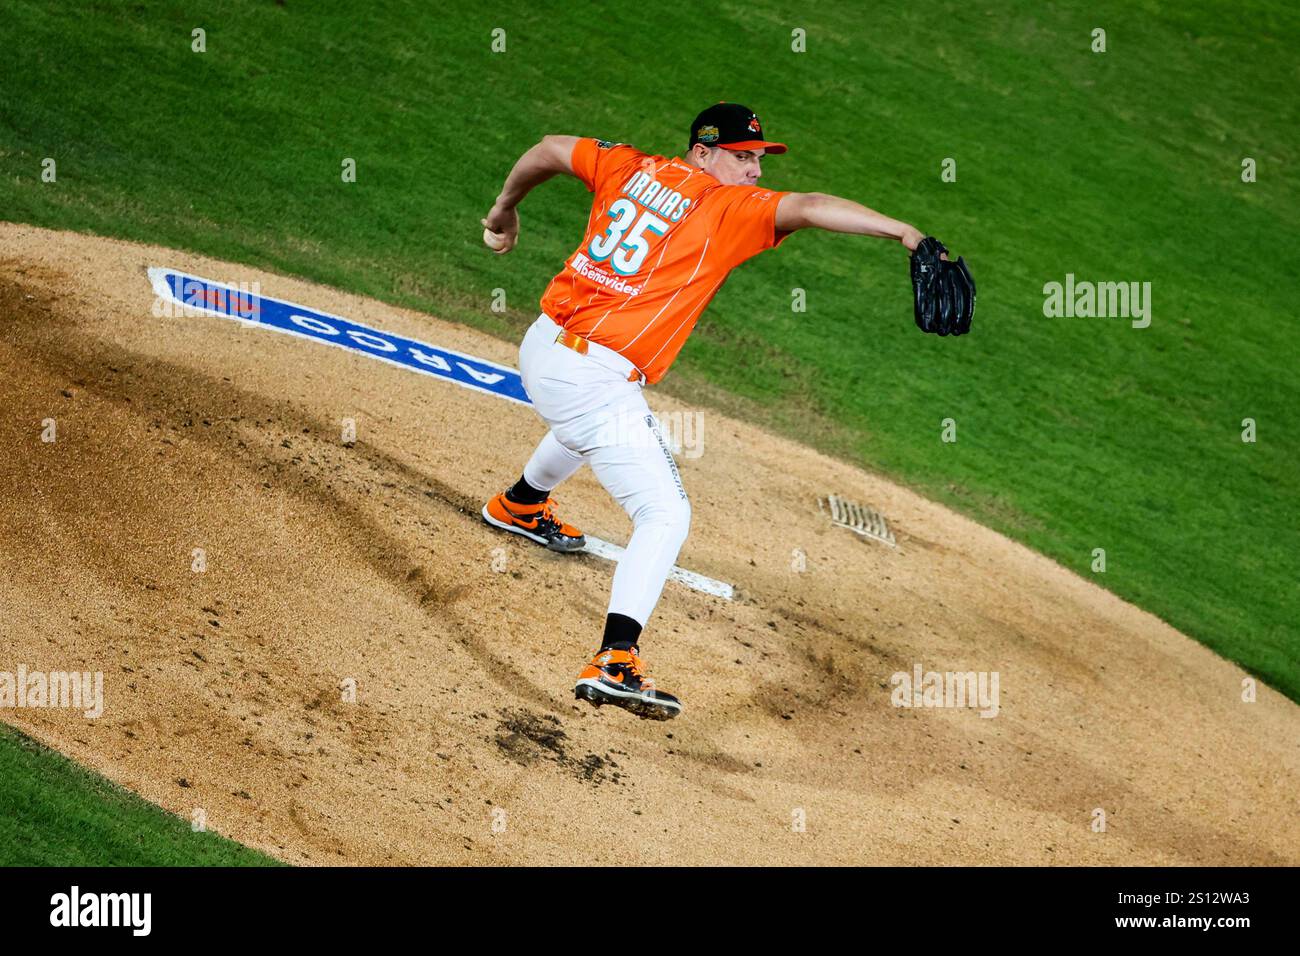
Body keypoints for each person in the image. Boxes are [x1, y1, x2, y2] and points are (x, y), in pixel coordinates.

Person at [481, 102, 934, 720]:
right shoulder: (727, 208)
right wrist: (906, 233)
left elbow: (551, 145)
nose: (753, 171)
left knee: (597, 424)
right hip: (590, 376)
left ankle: (523, 503)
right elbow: (811, 205)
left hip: (544, 345)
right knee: (665, 513)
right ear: (703, 152)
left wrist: (505, 209)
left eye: (758, 159)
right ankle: (615, 661)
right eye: (742, 156)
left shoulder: (630, 168)